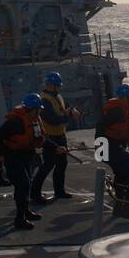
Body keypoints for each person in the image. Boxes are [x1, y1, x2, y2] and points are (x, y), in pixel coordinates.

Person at [0, 94, 47, 230]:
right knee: (22, 185)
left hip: (27, 156)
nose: (39, 112)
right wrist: (0, 155)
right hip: (13, 157)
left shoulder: (35, 120)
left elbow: (41, 137)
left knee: (27, 184)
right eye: (38, 109)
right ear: (33, 109)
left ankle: (25, 212)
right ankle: (19, 218)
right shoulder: (15, 122)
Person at [30, 70, 79, 204]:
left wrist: (72, 109)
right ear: (51, 85)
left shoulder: (57, 96)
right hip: (50, 137)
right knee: (48, 165)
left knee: (62, 164)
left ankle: (59, 191)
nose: (60, 87)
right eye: (58, 85)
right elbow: (52, 119)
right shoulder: (45, 99)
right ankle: (34, 193)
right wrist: (68, 116)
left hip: (60, 135)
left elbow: (65, 107)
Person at [96, 84, 129, 220]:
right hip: (109, 147)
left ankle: (118, 207)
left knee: (122, 174)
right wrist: (101, 150)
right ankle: (126, 206)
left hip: (112, 146)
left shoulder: (121, 109)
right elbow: (101, 127)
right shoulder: (118, 111)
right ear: (125, 98)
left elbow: (119, 130)